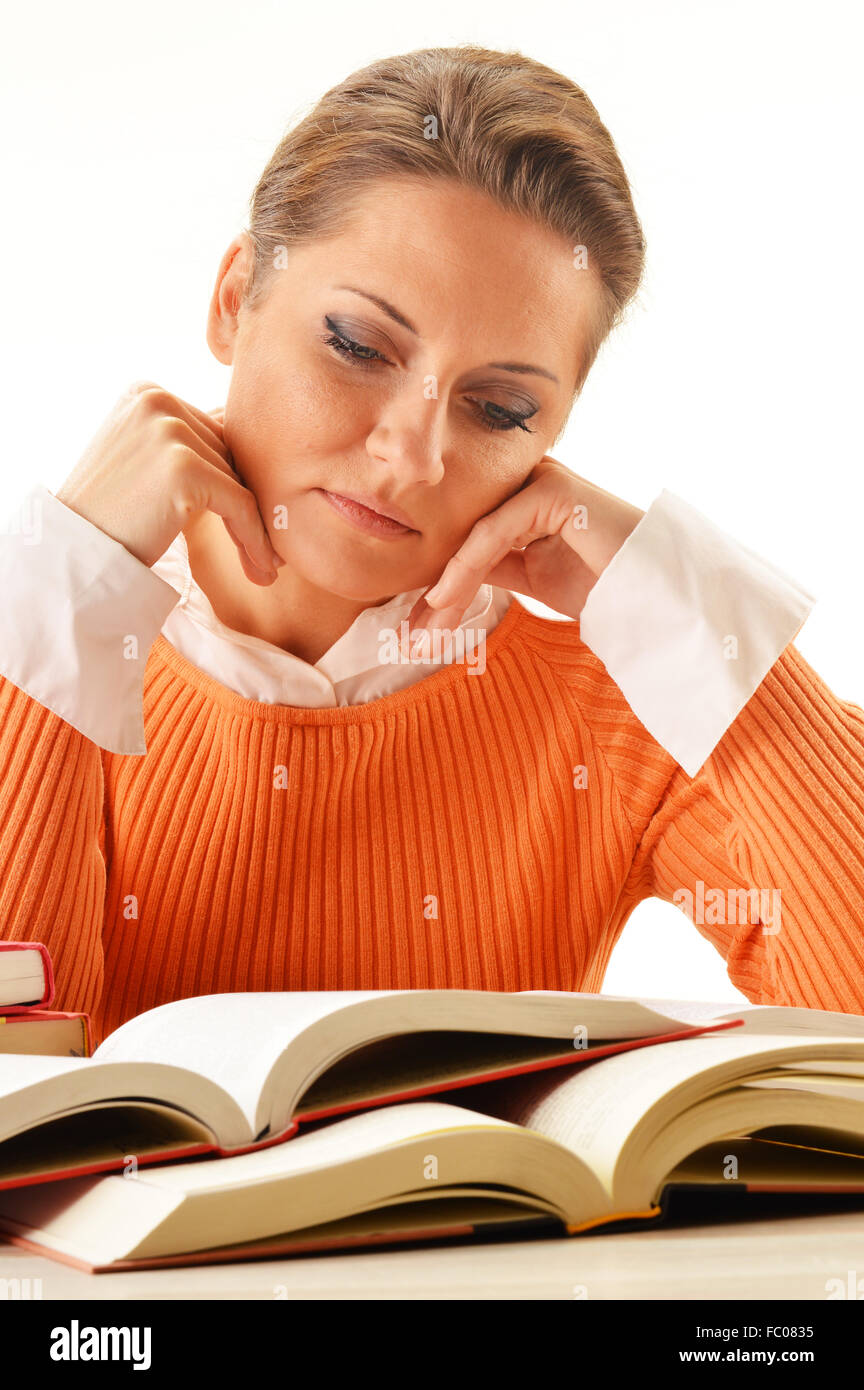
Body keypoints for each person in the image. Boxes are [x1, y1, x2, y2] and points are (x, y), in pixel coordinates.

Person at [0, 45, 860, 1048]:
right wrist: (61, 594)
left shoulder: (624, 715)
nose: (411, 453)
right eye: (359, 346)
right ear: (236, 299)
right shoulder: (36, 654)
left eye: (498, 407)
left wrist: (696, 617)